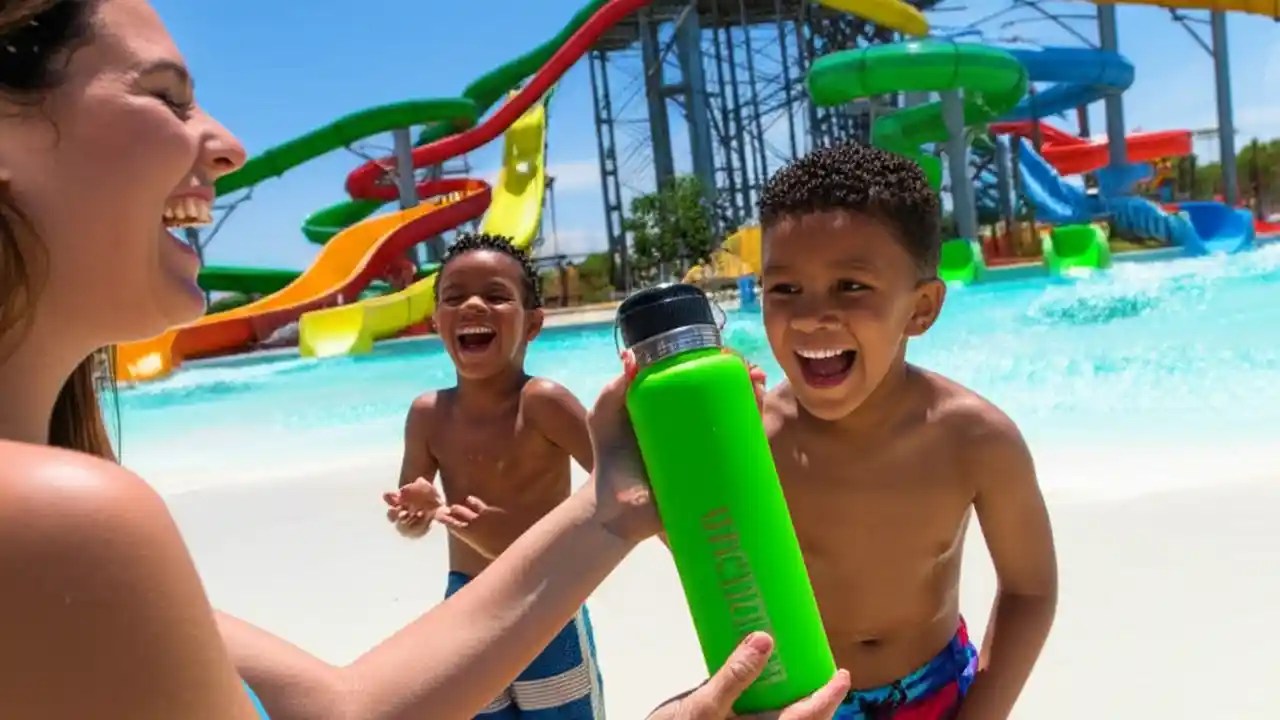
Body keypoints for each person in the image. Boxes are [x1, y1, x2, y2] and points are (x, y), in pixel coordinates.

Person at [0, 1, 852, 718]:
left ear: (534, 319)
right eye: (165, 98)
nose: (227, 145)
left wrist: (614, 503)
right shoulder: (68, 519)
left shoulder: (59, 502)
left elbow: (347, 709)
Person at [750, 142, 1059, 719]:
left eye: (851, 286)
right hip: (793, 703)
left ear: (921, 308)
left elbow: (1030, 590)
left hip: (935, 693)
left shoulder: (974, 439)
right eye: (784, 289)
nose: (813, 315)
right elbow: (704, 558)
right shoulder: (752, 439)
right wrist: (694, 441)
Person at [382, 232, 604, 719]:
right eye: (454, 297)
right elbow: (410, 520)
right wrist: (414, 509)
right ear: (437, 321)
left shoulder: (542, 403)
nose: (473, 306)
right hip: (465, 601)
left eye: (497, 296)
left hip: (544, 601)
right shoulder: (428, 414)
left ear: (533, 324)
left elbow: (616, 482)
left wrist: (519, 538)